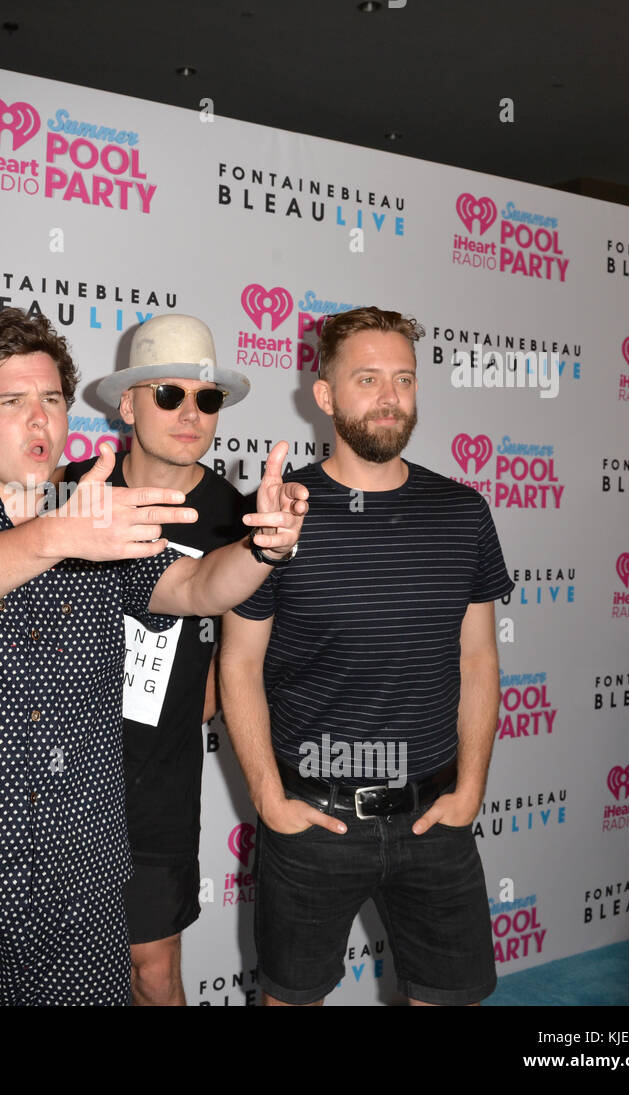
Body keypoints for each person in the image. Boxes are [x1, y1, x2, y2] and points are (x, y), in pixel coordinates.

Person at [0, 308, 307, 1006]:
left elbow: (196, 587)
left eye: (51, 400)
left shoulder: (104, 533)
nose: (39, 420)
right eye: (11, 401)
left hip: (81, 885)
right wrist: (55, 533)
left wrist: (263, 548)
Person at [219, 305, 512, 1007]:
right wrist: (267, 797)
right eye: (369, 378)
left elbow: (477, 659)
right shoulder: (279, 513)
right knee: (292, 999)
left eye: (404, 380)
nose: (390, 397)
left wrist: (470, 788)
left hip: (435, 817)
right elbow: (237, 665)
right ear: (324, 396)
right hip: (313, 820)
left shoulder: (463, 511)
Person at [61, 314, 250, 1005]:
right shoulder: (71, 493)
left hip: (159, 784)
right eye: (168, 395)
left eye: (206, 398)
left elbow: (241, 661)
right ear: (129, 404)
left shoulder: (238, 518)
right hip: (57, 777)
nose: (190, 412)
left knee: (153, 970)